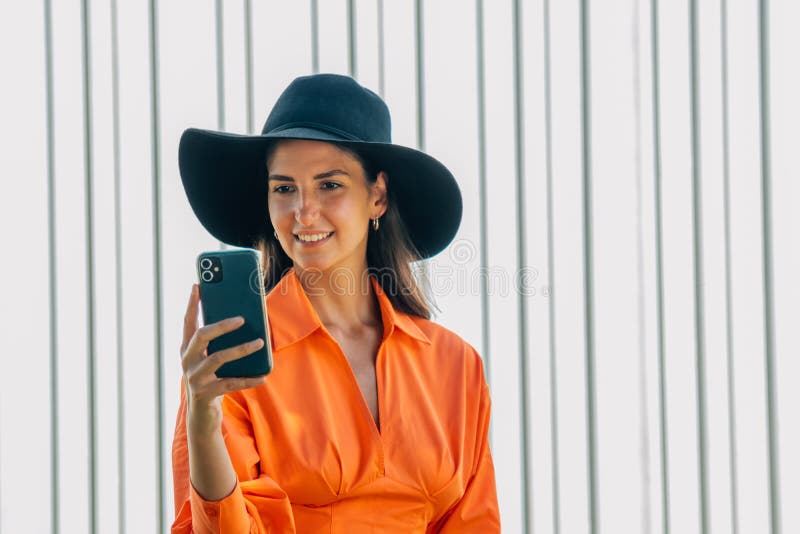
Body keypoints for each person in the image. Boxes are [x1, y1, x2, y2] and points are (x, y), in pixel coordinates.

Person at [171, 73, 500, 533]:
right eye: (284, 188)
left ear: (378, 196)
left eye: (329, 185)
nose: (304, 212)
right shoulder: (237, 360)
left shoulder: (455, 365)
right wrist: (202, 420)